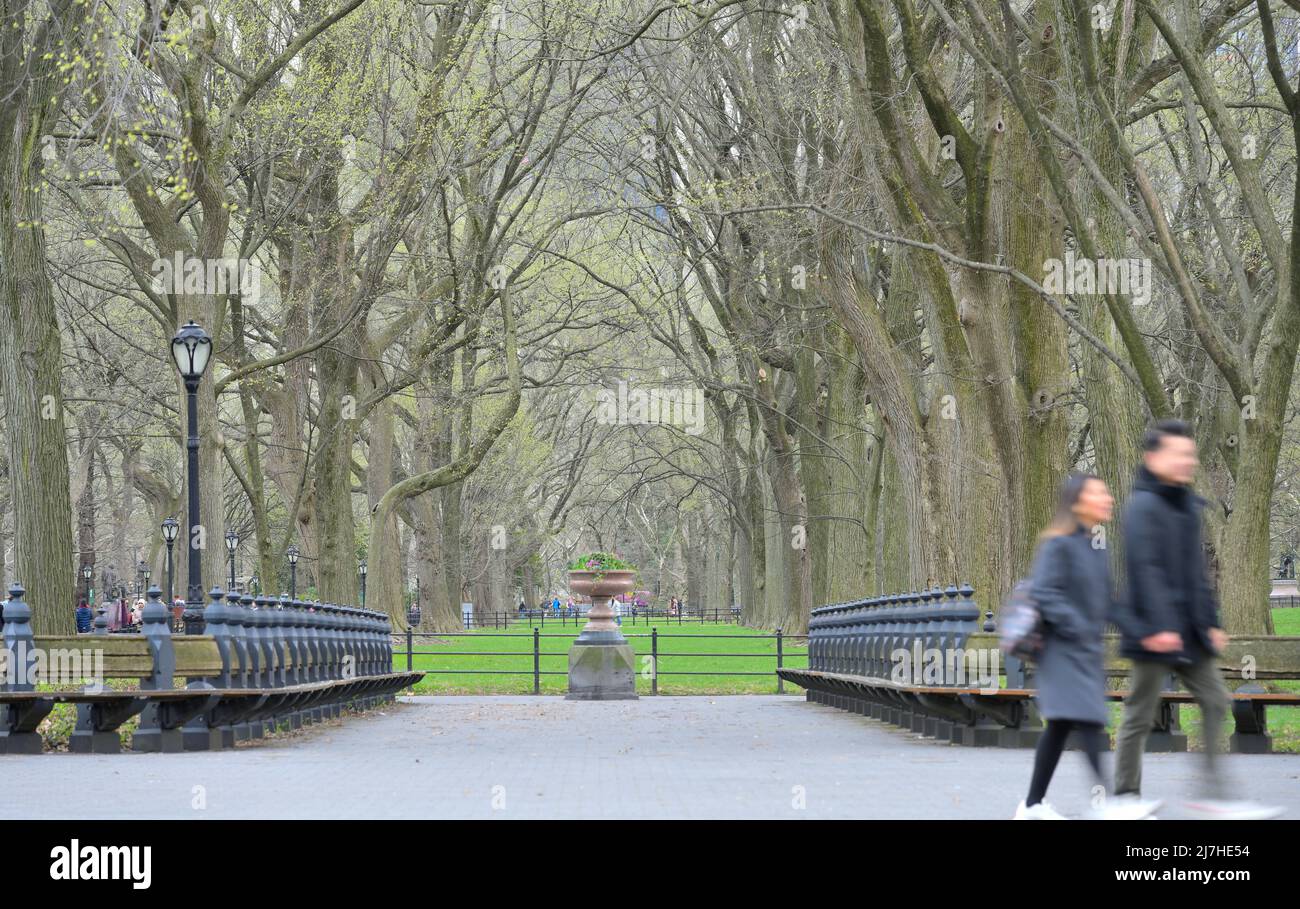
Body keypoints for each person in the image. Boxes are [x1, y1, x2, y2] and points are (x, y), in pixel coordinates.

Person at [1111, 420, 1283, 819]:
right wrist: (1159, 627)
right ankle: (1124, 798)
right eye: (1178, 454)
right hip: (1152, 632)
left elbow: (1196, 575)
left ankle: (1214, 794)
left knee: (1216, 701)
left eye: (1190, 454)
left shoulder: (1188, 507)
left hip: (1189, 632)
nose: (1187, 461)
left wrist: (1209, 622)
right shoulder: (1142, 507)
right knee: (1140, 712)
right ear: (1153, 458)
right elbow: (1146, 570)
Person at [1014, 473, 1158, 820]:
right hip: (1061, 652)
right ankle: (1111, 805)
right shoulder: (1058, 543)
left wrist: (1140, 631)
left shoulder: (1095, 545)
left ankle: (1031, 805)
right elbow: (1044, 594)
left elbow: (1105, 603)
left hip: (1082, 652)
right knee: (1090, 721)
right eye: (1099, 493)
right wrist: (1076, 625)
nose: (1108, 499)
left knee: (1061, 726)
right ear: (1078, 502)